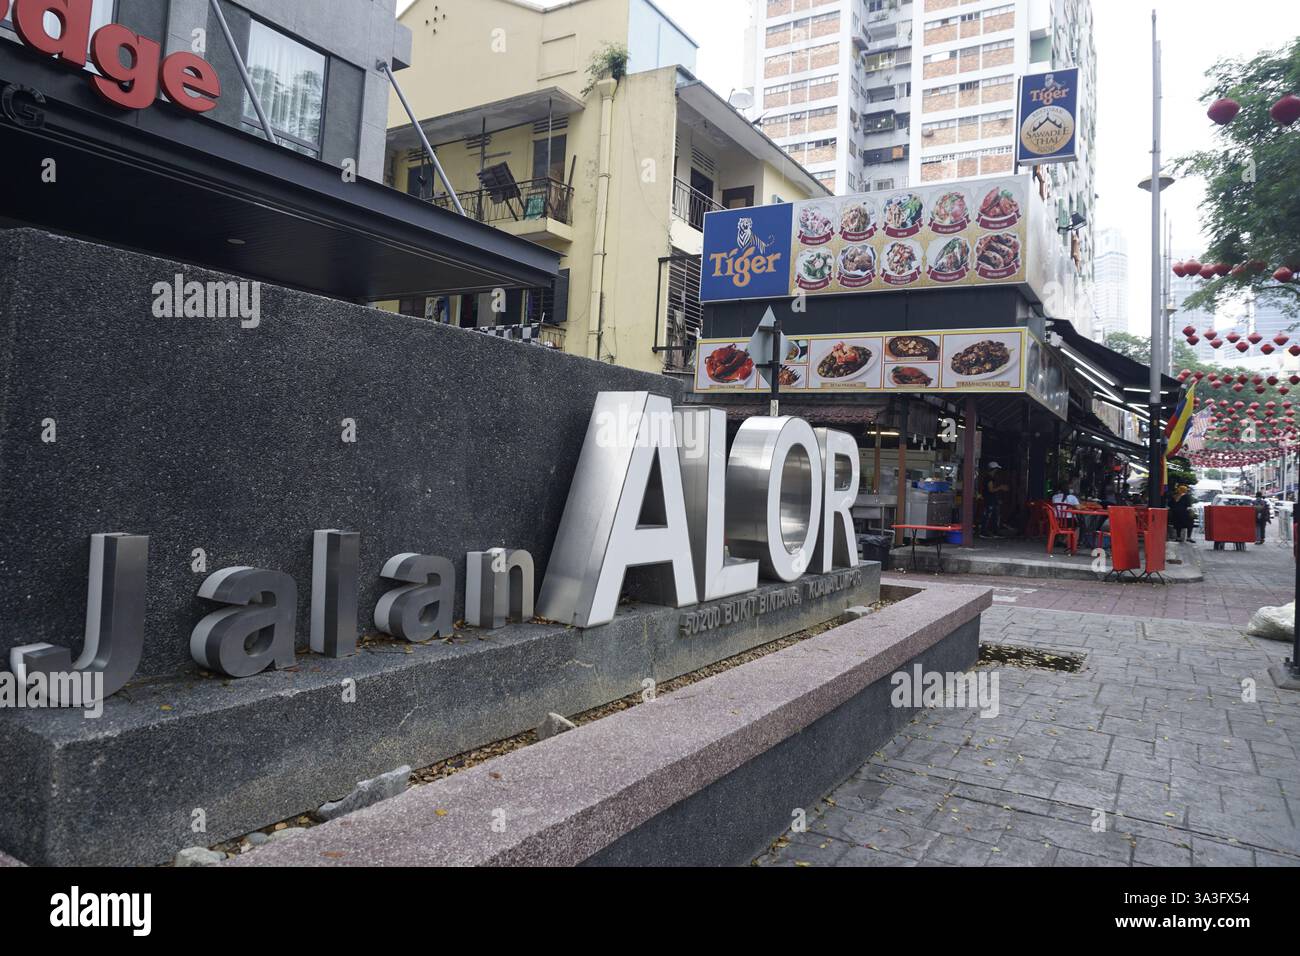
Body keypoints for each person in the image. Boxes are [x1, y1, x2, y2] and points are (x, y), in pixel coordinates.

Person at [980, 462, 1010, 537]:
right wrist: (1001, 487)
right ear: (994, 470)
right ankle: (985, 532)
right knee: (989, 516)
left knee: (993, 515)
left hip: (991, 500)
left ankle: (991, 531)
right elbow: (991, 490)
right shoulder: (989, 478)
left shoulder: (988, 478)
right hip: (989, 500)